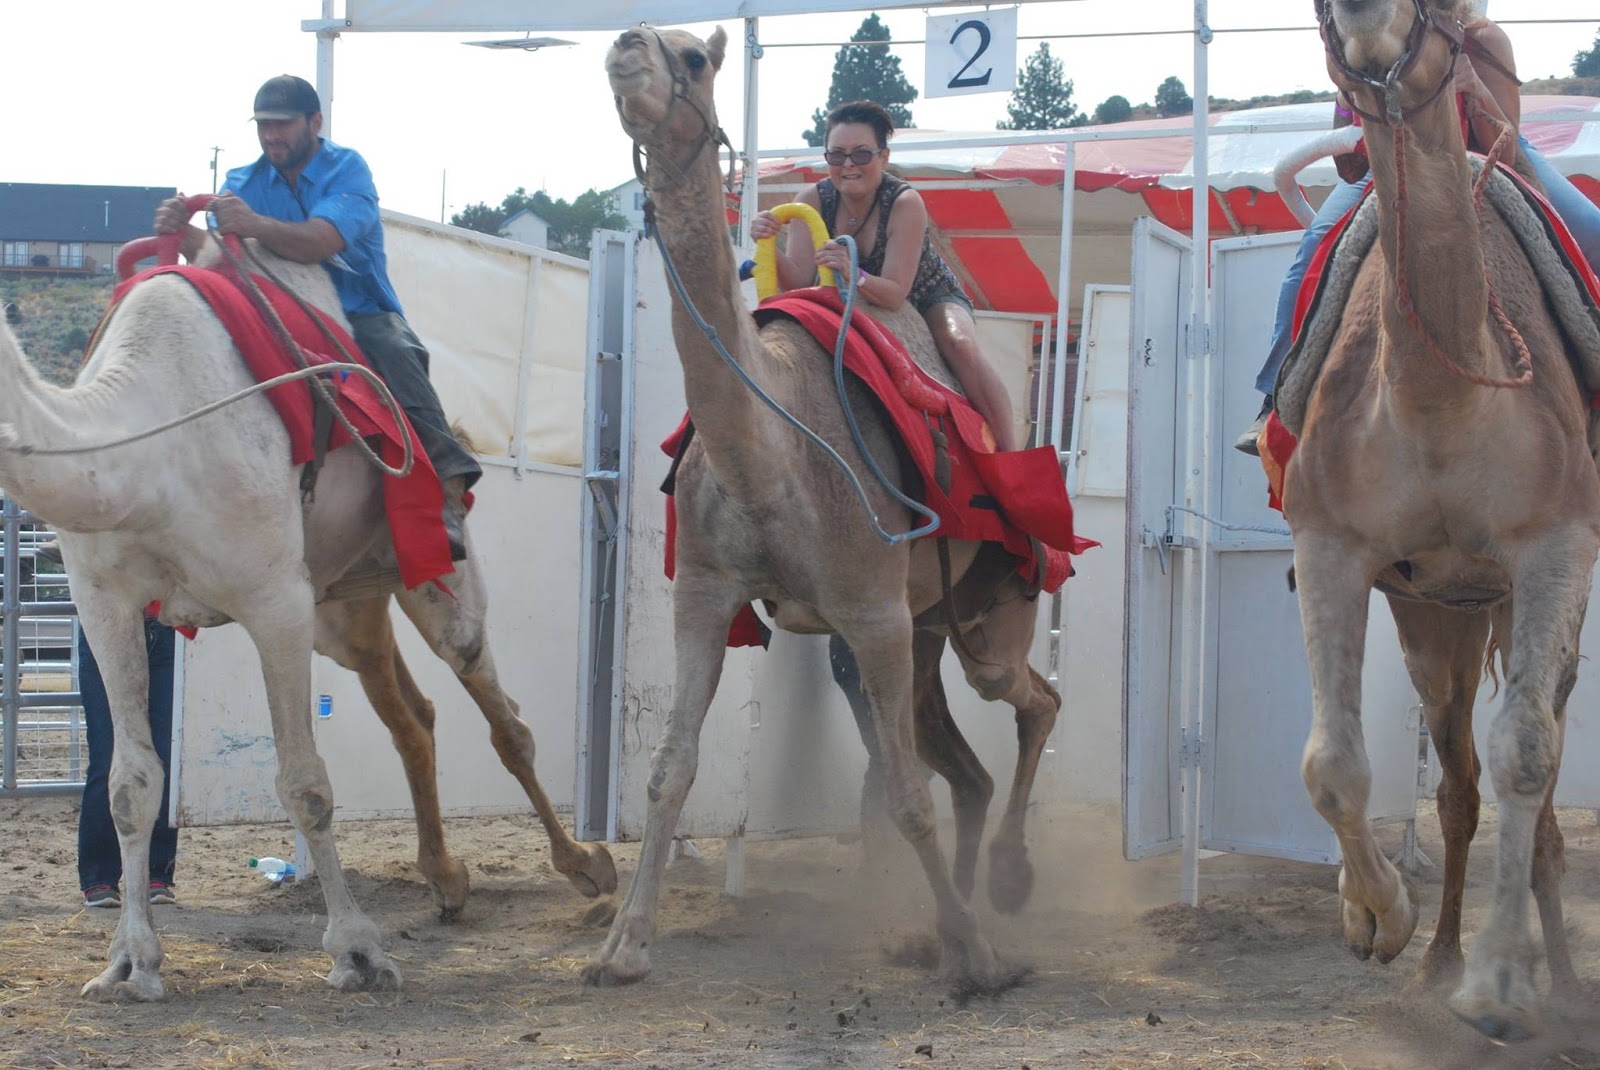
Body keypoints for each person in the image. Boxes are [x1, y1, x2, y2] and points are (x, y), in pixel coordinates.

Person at [1235, 0, 1600, 455]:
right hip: (1393, 154)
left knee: (1593, 232)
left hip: (1484, 150)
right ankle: (1275, 397)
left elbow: (1506, 144)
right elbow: (1347, 157)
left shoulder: (1485, 41)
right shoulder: (1372, 35)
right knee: (1314, 247)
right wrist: (1355, 99)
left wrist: (1475, 90)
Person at [153, 74, 481, 555]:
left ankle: (444, 493)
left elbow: (322, 242)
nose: (271, 136)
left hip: (353, 312)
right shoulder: (241, 182)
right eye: (264, 125)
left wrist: (255, 224)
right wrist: (184, 237)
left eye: (283, 124)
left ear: (315, 122)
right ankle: (143, 501)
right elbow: (223, 256)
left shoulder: (347, 170)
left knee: (396, 349)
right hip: (268, 312)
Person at [749, 100, 1019, 452]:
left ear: (884, 157)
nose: (848, 165)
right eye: (837, 155)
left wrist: (851, 270)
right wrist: (769, 243)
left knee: (959, 344)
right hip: (849, 300)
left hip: (924, 295)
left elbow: (895, 293)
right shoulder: (810, 200)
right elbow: (800, 284)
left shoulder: (905, 203)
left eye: (861, 155)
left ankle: (1011, 458)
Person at [77, 614, 179, 908]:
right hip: (110, 624)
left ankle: (151, 872)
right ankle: (103, 875)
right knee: (107, 755)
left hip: (162, 622)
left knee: (163, 753)